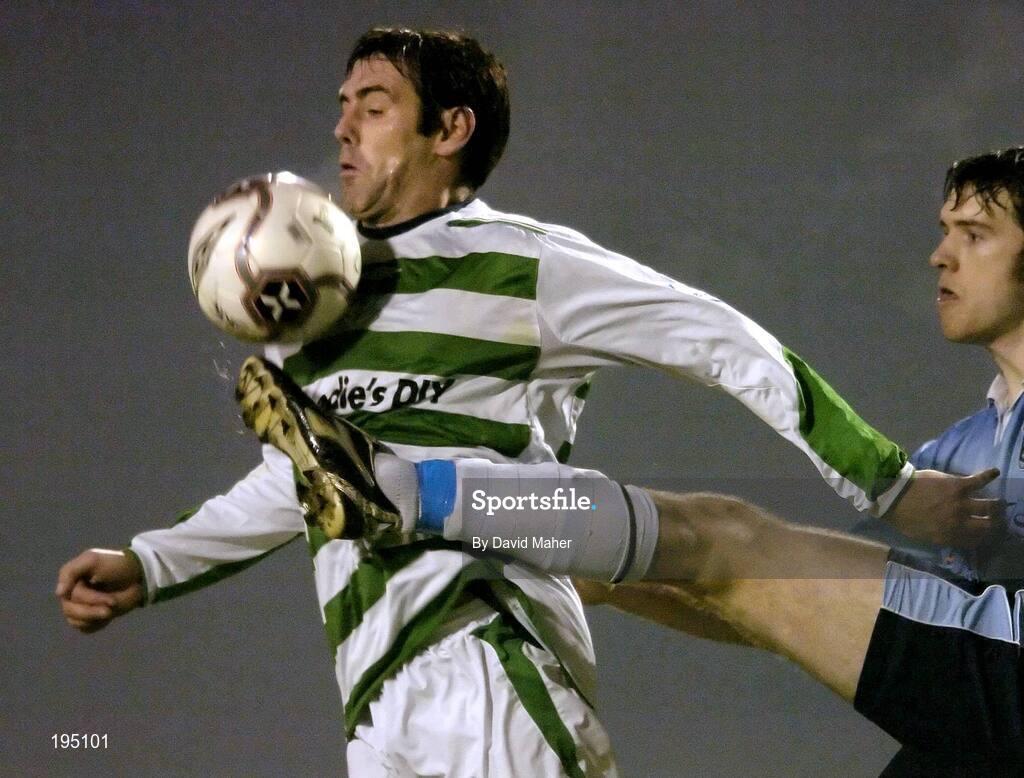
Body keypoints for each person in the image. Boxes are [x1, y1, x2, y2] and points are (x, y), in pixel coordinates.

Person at [55, 27, 996, 776]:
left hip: (491, 652)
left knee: (710, 533)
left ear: (449, 129)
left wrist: (883, 481)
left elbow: (717, 337)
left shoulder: (526, 264)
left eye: (374, 108)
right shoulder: (322, 317)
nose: (342, 128)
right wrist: (152, 564)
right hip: (373, 697)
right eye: (341, 107)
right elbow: (302, 479)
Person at [587, 147, 1024, 776]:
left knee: (725, 535)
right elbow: (787, 601)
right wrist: (612, 581)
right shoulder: (955, 455)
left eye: (975, 235)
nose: (941, 256)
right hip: (983, 718)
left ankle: (471, 506)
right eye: (945, 232)